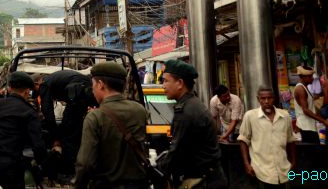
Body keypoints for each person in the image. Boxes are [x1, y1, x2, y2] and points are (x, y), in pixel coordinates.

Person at [75, 61, 149, 189]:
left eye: (93, 85)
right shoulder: (140, 110)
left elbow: (86, 164)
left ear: (100, 84)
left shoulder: (95, 117)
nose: (92, 90)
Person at [157, 59, 226, 188]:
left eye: (166, 81)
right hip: (209, 177)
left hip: (202, 181)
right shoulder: (191, 103)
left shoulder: (186, 111)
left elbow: (176, 151)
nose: (163, 85)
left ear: (179, 83)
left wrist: (158, 169)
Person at [0, 71, 46, 189]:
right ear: (26, 91)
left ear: (9, 89)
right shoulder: (29, 112)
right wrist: (44, 165)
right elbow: (38, 146)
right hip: (11, 167)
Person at [35, 69, 95, 182]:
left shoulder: (44, 84)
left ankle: (68, 172)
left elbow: (47, 112)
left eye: (35, 91)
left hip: (78, 92)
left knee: (68, 132)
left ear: (37, 84)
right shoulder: (55, 80)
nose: (38, 94)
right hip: (83, 89)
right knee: (74, 129)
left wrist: (55, 136)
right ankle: (74, 166)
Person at [238, 86, 296, 188]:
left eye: (269, 98)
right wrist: (247, 164)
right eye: (263, 98)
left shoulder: (285, 116)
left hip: (282, 168)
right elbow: (243, 140)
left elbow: (290, 140)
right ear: (258, 99)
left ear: (274, 98)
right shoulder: (250, 116)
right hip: (260, 170)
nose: (266, 101)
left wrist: (293, 162)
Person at [293, 65, 328, 144]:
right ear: (303, 77)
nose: (312, 78)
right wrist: (323, 121)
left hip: (309, 126)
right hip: (305, 126)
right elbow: (306, 110)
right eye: (309, 76)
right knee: (313, 151)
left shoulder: (304, 88)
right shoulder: (300, 89)